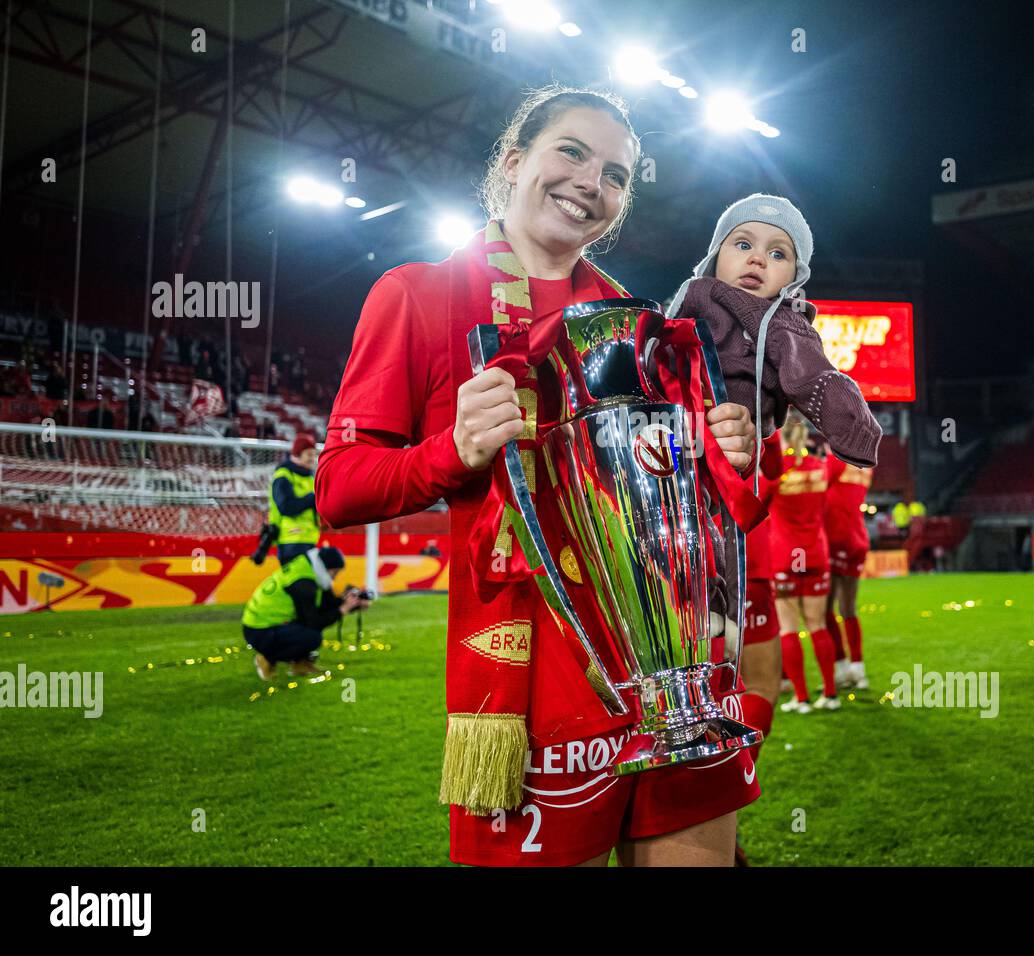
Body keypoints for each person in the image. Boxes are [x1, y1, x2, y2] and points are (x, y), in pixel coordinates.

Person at [316, 85, 761, 868]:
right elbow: (341, 487)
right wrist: (449, 452)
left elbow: (673, 496)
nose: (594, 183)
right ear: (515, 161)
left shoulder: (639, 321)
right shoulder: (419, 295)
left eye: (618, 175)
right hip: (541, 698)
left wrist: (727, 451)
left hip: (675, 673)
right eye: (574, 153)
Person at [667, 193, 881, 466]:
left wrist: (856, 432)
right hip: (663, 428)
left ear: (795, 277)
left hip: (725, 453)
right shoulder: (693, 294)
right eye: (743, 244)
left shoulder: (783, 322)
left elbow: (817, 377)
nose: (758, 259)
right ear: (716, 254)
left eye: (777, 254)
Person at [762, 415, 841, 713]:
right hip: (816, 554)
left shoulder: (776, 474)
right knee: (818, 625)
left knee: (789, 629)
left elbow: (755, 506)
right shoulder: (821, 469)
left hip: (785, 556)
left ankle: (802, 698)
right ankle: (831, 694)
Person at [241, 545, 369, 680]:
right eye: (335, 572)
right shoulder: (304, 583)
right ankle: (267, 658)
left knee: (308, 631)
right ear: (326, 568)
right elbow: (314, 622)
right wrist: (343, 609)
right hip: (259, 631)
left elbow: (325, 604)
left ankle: (300, 665)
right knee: (311, 637)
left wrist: (353, 603)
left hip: (261, 624)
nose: (334, 578)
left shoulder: (307, 568)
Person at [825, 453, 873, 690]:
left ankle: (841, 667)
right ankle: (858, 668)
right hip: (858, 538)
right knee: (849, 608)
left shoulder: (835, 462)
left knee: (825, 610)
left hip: (836, 538)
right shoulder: (865, 465)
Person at [268, 433, 321, 566]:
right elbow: (286, 507)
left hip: (309, 538)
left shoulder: (309, 477)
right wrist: (311, 499)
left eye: (314, 454)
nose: (312, 459)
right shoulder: (284, 475)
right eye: (309, 454)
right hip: (290, 541)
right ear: (298, 454)